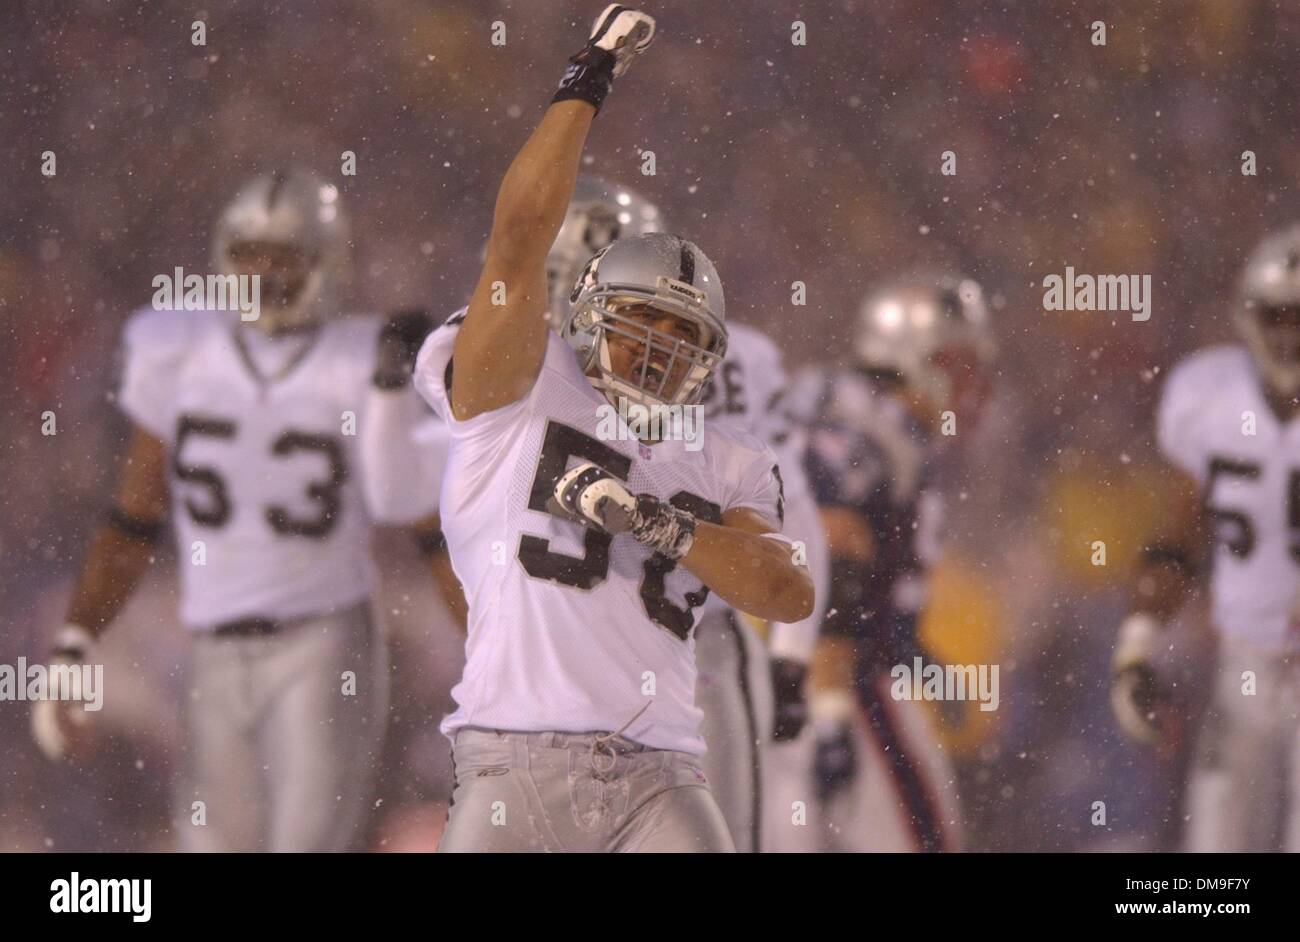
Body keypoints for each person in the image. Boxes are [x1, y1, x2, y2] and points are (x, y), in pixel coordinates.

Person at [413, 4, 813, 853]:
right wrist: (586, 78)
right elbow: (516, 242)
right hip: (506, 765)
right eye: (641, 321)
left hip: (662, 774)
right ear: (589, 315)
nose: (660, 349)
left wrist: (660, 523)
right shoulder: (523, 386)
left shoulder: (730, 460)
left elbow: (785, 590)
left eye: (683, 337)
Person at [31, 169, 438, 851]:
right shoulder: (179, 353)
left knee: (309, 837)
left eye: (287, 259)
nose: (268, 276)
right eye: (253, 258)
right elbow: (131, 521)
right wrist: (75, 642)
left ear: (326, 263)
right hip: (217, 635)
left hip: (324, 633)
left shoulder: (363, 359)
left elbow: (419, 517)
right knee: (213, 841)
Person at [1111, 224, 1300, 851]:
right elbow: (1180, 534)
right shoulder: (1209, 395)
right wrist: (1136, 648)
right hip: (1241, 662)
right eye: (1276, 315)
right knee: (1216, 856)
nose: (1287, 334)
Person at [799, 274, 996, 852]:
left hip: (794, 677)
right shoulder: (870, 429)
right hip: (842, 680)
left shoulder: (841, 407)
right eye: (955, 363)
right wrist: (833, 705)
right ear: (910, 357)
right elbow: (837, 559)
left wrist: (919, 661)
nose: (969, 383)